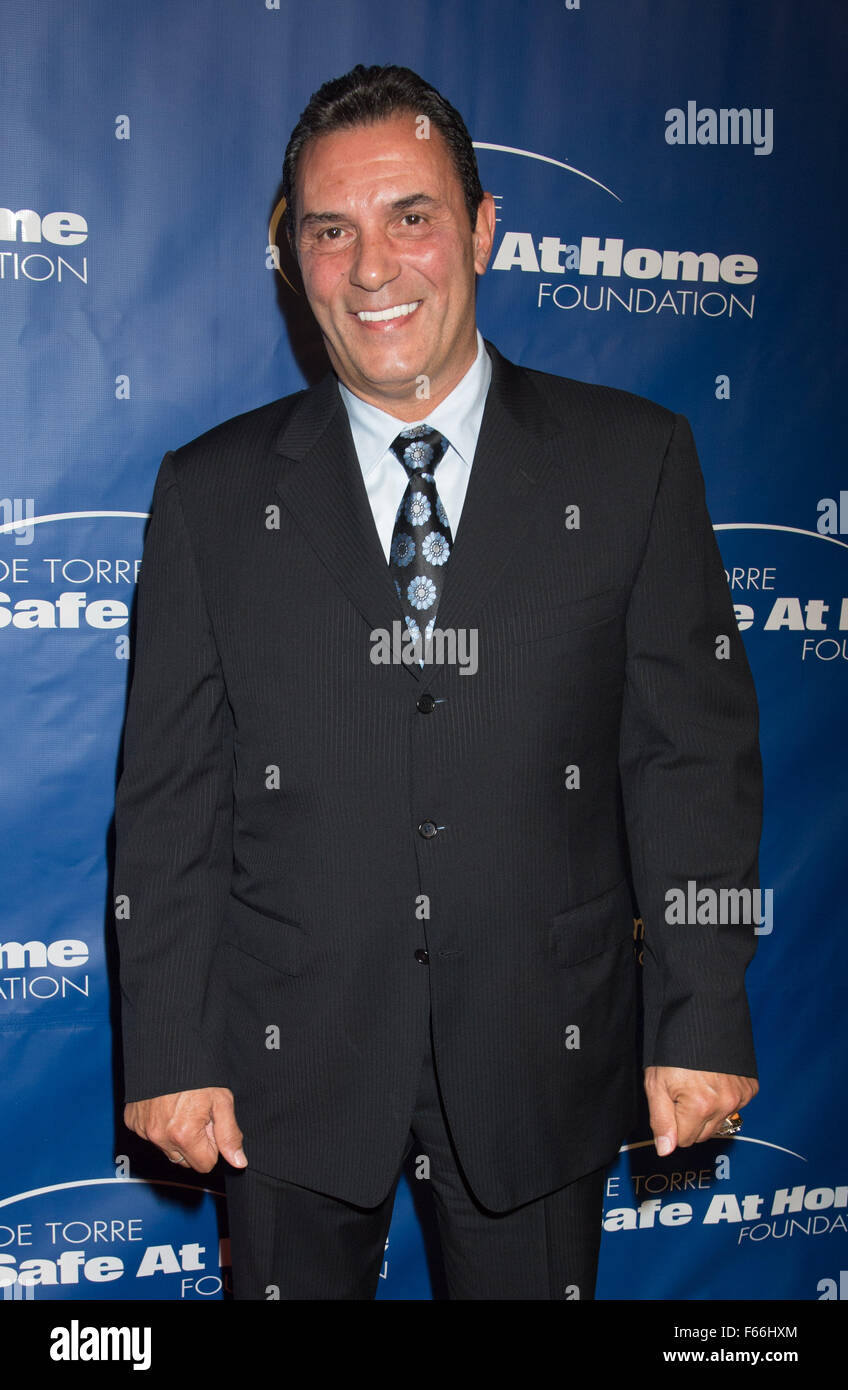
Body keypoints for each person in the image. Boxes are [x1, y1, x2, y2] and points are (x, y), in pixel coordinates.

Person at [114, 63, 761, 1301]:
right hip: (281, 1072)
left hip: (540, 1046)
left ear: (480, 230)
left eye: (409, 217)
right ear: (291, 258)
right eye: (329, 231)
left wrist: (700, 1013)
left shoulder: (634, 464)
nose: (371, 270)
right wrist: (173, 1045)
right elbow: (168, 800)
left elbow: (689, 762)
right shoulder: (208, 493)